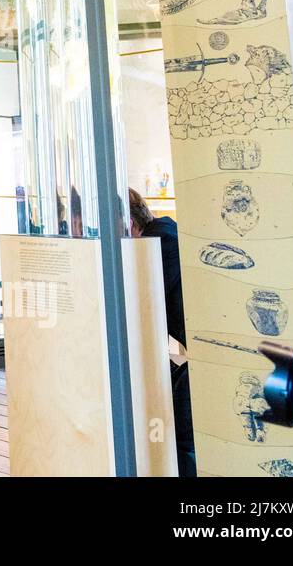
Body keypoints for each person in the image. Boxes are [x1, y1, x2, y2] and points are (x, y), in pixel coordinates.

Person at [128, 188, 196, 477]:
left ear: (130, 224)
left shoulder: (157, 248)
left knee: (181, 441)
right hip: (188, 354)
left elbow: (144, 306)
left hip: (191, 358)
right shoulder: (166, 236)